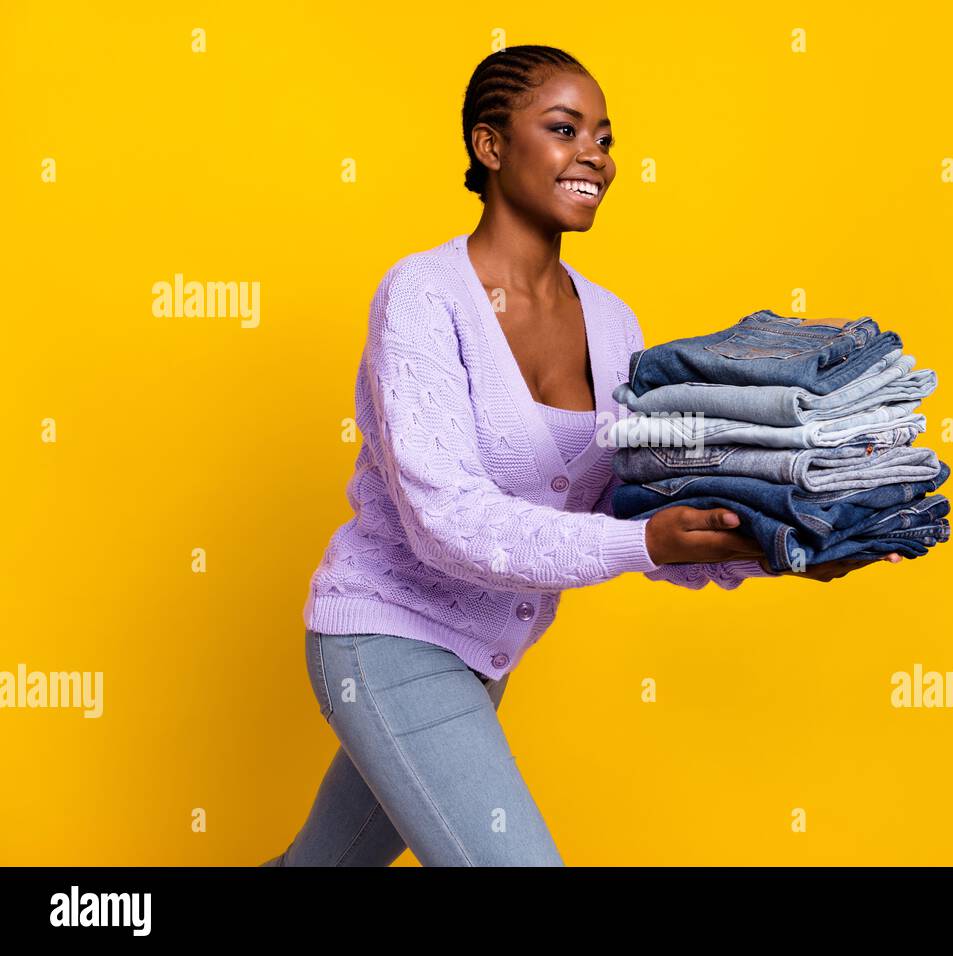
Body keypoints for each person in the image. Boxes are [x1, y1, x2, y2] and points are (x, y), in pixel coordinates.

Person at [262, 44, 897, 868]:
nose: (594, 155)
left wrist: (773, 544)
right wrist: (643, 542)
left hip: (482, 658)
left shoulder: (614, 322)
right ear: (490, 147)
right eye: (564, 130)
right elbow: (446, 522)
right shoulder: (422, 296)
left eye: (604, 136)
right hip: (386, 635)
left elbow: (622, 511)